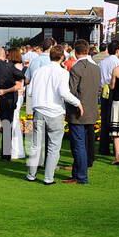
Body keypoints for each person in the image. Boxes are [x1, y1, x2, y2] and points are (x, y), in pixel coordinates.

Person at [24, 45, 81, 184]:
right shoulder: (62, 72)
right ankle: (48, 178)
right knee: (54, 147)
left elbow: (30, 91)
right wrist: (77, 103)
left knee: (36, 144)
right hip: (54, 112)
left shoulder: (38, 71)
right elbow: (63, 93)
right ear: (62, 57)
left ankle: (31, 175)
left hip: (39, 110)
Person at [63, 39, 100, 184]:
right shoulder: (96, 68)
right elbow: (98, 89)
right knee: (82, 144)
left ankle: (81, 176)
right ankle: (77, 174)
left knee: (78, 146)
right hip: (91, 110)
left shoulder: (76, 68)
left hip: (78, 112)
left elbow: (71, 91)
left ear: (75, 52)